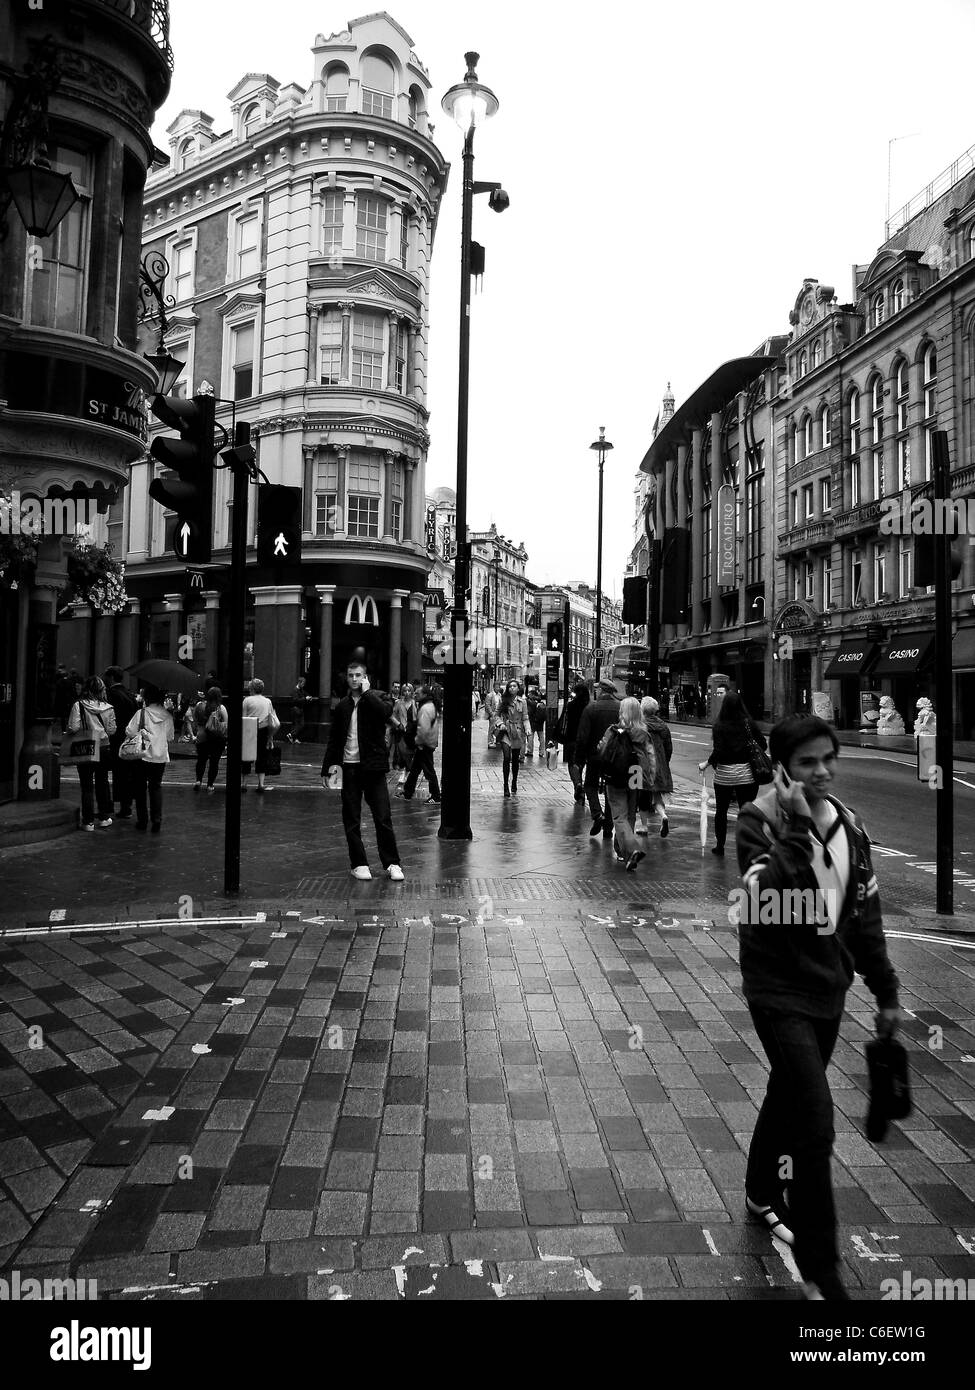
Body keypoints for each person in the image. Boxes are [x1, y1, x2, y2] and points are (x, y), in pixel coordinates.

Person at [735, 714, 901, 1302]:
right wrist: (797, 830)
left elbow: (865, 917)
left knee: (788, 1092)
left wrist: (886, 992)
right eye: (806, 763)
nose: (822, 771)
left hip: (830, 989)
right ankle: (820, 1269)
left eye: (828, 759)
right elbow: (759, 900)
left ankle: (760, 1193)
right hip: (777, 991)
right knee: (813, 1116)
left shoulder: (851, 828)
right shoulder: (758, 821)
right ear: (781, 768)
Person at [322, 655, 404, 881]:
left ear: (365, 677)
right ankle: (359, 863)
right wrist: (328, 770)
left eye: (358, 675)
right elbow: (334, 740)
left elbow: (386, 713)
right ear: (346, 678)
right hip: (348, 768)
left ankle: (392, 863)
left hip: (374, 768)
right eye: (351, 675)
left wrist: (367, 693)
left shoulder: (377, 697)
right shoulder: (342, 706)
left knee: (383, 816)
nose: (354, 679)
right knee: (352, 818)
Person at [698, 690, 767, 855]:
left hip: (724, 777)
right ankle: (747, 845)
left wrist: (707, 763)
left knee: (721, 811)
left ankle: (720, 846)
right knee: (746, 811)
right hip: (747, 775)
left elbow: (718, 751)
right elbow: (763, 745)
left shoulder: (719, 726)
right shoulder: (749, 724)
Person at [599, 697, 654, 872]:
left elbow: (601, 749)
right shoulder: (644, 732)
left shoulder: (613, 730)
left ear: (622, 711)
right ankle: (624, 852)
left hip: (615, 775)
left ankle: (631, 849)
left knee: (618, 816)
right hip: (635, 774)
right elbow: (651, 759)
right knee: (630, 814)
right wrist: (650, 779)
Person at [67, 676, 116, 831]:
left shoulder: (78, 705)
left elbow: (73, 727)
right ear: (101, 690)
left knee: (86, 785)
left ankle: (88, 822)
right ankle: (103, 817)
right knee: (102, 782)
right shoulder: (109, 708)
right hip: (103, 747)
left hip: (85, 746)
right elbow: (111, 730)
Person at [574, 678, 621, 839]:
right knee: (610, 790)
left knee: (590, 785)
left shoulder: (591, 708)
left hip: (594, 756)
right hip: (613, 757)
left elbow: (582, 737)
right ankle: (608, 827)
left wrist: (578, 759)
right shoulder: (620, 708)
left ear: (601, 690)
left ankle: (597, 814)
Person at [126, 683, 174, 833]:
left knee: (140, 788)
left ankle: (142, 820)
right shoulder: (167, 715)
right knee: (156, 787)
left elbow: (129, 731)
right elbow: (170, 737)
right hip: (159, 756)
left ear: (146, 697)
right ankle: (157, 819)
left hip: (142, 755)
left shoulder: (141, 713)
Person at [103, 666, 137, 819]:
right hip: (129, 739)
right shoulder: (130, 694)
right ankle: (126, 805)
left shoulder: (112, 695)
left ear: (110, 677)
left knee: (115, 773)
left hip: (115, 739)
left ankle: (110, 806)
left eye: (105, 675)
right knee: (127, 773)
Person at [637, 695, 674, 837]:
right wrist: (665, 762)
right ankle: (663, 816)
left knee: (643, 797)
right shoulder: (663, 726)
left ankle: (644, 827)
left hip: (644, 765)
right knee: (657, 795)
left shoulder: (640, 725)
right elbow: (668, 748)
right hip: (660, 765)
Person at [402, 685, 441, 803]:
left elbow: (423, 730)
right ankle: (407, 792)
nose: (415, 695)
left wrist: (417, 742)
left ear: (424, 695)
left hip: (424, 745)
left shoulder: (425, 709)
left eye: (417, 693)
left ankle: (435, 796)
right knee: (415, 769)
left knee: (428, 771)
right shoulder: (429, 706)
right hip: (428, 743)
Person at [494, 679, 531, 798]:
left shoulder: (523, 702)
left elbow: (525, 717)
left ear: (518, 688)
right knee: (506, 757)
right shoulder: (503, 700)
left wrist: (528, 728)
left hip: (517, 732)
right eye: (510, 686)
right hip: (506, 731)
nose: (512, 688)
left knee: (515, 760)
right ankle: (505, 785)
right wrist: (500, 724)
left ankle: (514, 781)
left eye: (514, 686)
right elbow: (496, 715)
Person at [241, 677, 279, 794]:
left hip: (249, 729)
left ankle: (244, 783)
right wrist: (270, 736)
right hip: (263, 731)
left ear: (251, 688)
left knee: (246, 757)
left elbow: (244, 718)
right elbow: (271, 719)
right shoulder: (268, 701)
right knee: (262, 757)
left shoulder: (247, 700)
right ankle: (261, 784)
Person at [558, 682, 590, 803]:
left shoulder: (569, 705)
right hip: (585, 739)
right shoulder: (589, 706)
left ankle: (577, 784)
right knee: (582, 763)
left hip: (571, 739)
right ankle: (581, 784)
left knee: (572, 764)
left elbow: (564, 722)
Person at [193, 686, 228, 793]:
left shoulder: (199, 705)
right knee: (214, 762)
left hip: (202, 735)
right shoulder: (221, 708)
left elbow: (194, 720)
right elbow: (226, 723)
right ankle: (210, 785)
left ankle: (198, 780)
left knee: (201, 760)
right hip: (216, 738)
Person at [391, 682, 417, 788]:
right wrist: (398, 724)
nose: (407, 693)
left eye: (409, 690)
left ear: (411, 692)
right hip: (402, 730)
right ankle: (402, 771)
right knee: (401, 751)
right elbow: (392, 715)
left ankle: (407, 771)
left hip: (412, 730)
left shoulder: (415, 703)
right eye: (405, 690)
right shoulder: (398, 702)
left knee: (410, 752)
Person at [287, 675, 313, 744]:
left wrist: (309, 697)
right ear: (299, 682)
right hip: (295, 710)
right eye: (303, 684)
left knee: (299, 725)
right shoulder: (295, 690)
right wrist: (305, 698)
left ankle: (293, 737)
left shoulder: (301, 690)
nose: (304, 685)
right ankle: (292, 735)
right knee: (298, 725)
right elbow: (296, 700)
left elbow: (306, 694)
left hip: (300, 709)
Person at [525, 685, 547, 759]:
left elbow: (529, 712)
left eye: (530, 694)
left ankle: (530, 751)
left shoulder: (531, 703)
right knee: (541, 737)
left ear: (533, 695)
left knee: (530, 737)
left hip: (533, 722)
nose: (529, 695)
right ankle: (541, 752)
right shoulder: (541, 702)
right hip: (540, 723)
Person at [485, 683, 500, 749]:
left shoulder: (499, 695)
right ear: (494, 687)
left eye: (498, 687)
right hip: (493, 714)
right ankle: (490, 742)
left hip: (498, 714)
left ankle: (497, 740)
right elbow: (487, 705)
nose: (498, 688)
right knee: (491, 728)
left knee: (498, 728)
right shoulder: (489, 695)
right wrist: (491, 713)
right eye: (496, 687)